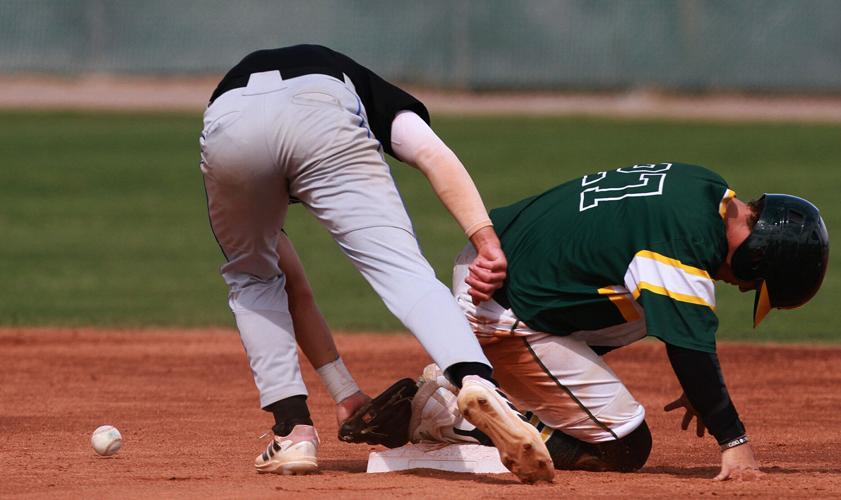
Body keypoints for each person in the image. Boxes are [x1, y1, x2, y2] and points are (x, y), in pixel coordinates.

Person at [199, 44, 553, 482]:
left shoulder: (237, 105)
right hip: (323, 111)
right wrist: (485, 240)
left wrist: (342, 389)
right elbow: (430, 152)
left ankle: (293, 435)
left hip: (230, 128)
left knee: (253, 280)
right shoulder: (360, 84)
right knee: (403, 270)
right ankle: (477, 380)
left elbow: (292, 290)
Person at [354, 162, 829, 479]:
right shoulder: (686, 241)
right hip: (503, 309)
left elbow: (685, 329)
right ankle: (452, 420)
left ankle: (475, 378)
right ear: (760, 258)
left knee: (659, 303)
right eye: (754, 284)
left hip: (492, 261)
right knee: (623, 447)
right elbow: (689, 348)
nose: (742, 286)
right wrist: (735, 442)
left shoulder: (706, 191)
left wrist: (699, 380)